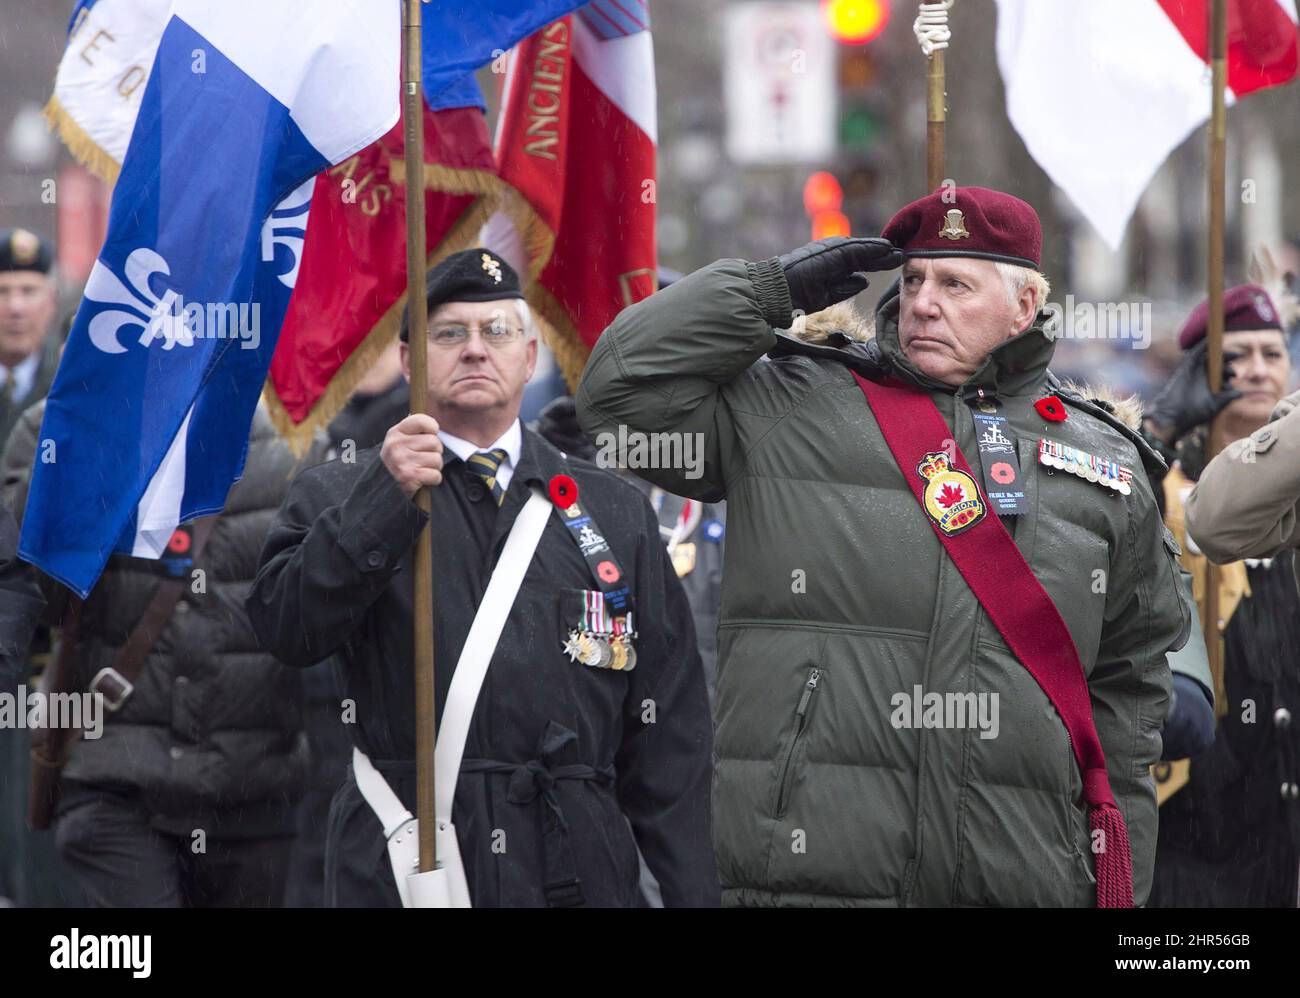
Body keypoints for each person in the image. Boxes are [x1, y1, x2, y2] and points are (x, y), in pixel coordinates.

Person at [578, 186, 1192, 907]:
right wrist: (766, 291)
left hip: (1021, 881)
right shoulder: (794, 405)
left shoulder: (1106, 462)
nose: (924, 302)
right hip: (809, 880)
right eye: (913, 280)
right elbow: (618, 395)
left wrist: (1118, 887)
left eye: (956, 284)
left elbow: (1127, 703)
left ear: (1025, 308)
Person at [247, 248, 719, 907]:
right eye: (449, 334)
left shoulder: (614, 510)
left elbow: (670, 739)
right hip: (411, 865)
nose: (475, 350)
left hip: (574, 867)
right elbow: (285, 626)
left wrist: (692, 892)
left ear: (530, 358)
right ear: (411, 362)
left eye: (496, 331)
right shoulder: (344, 492)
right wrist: (384, 499)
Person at [2, 399, 321, 907]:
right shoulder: (56, 424)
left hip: (251, 795)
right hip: (116, 782)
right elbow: (32, 597)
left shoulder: (296, 436)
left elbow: (326, 606)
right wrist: (74, 454)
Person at [1147, 286, 1300, 906]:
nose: (1261, 369)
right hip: (1187, 818)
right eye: (1238, 356)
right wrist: (1156, 433)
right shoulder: (1160, 487)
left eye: (1274, 352)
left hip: (1276, 812)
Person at [0, 229, 61, 449]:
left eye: (28, 291)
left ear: (51, 301)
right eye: (2, 291)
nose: (15, 308)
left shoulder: (70, 381)